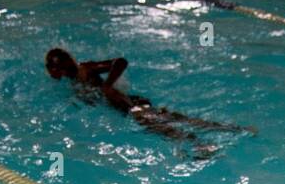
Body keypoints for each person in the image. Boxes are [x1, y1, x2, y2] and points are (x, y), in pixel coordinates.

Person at [44, 48, 252, 147]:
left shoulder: (85, 69)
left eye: (51, 68)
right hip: (130, 104)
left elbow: (120, 60)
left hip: (129, 107)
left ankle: (202, 145)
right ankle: (233, 129)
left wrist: (108, 85)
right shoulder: (75, 79)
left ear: (59, 68)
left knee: (164, 128)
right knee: (176, 119)